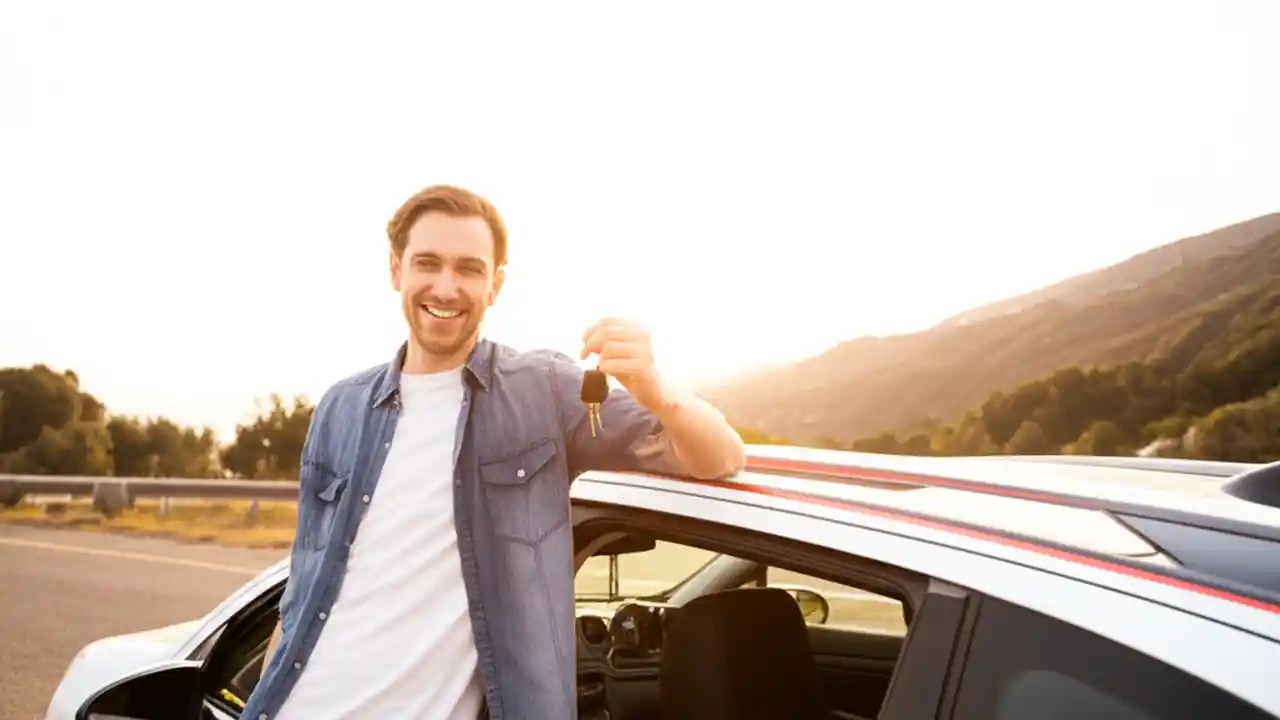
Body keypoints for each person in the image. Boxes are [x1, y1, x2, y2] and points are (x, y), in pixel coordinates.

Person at [240, 184, 745, 720]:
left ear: (495, 285)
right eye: (427, 263)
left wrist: (656, 389)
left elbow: (720, 457)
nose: (446, 287)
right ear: (396, 271)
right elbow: (304, 587)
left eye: (469, 269)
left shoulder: (544, 392)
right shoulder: (339, 408)